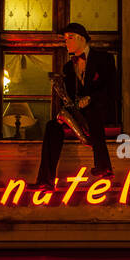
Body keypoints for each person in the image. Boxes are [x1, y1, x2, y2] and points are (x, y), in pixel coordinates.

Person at [34, 23, 116, 190]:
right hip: (79, 112)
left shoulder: (104, 59)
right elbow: (70, 95)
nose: (66, 43)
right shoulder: (67, 67)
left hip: (99, 110)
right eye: (65, 39)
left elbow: (112, 87)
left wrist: (91, 98)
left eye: (69, 38)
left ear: (81, 38)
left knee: (93, 113)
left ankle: (104, 166)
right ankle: (46, 180)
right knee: (52, 126)